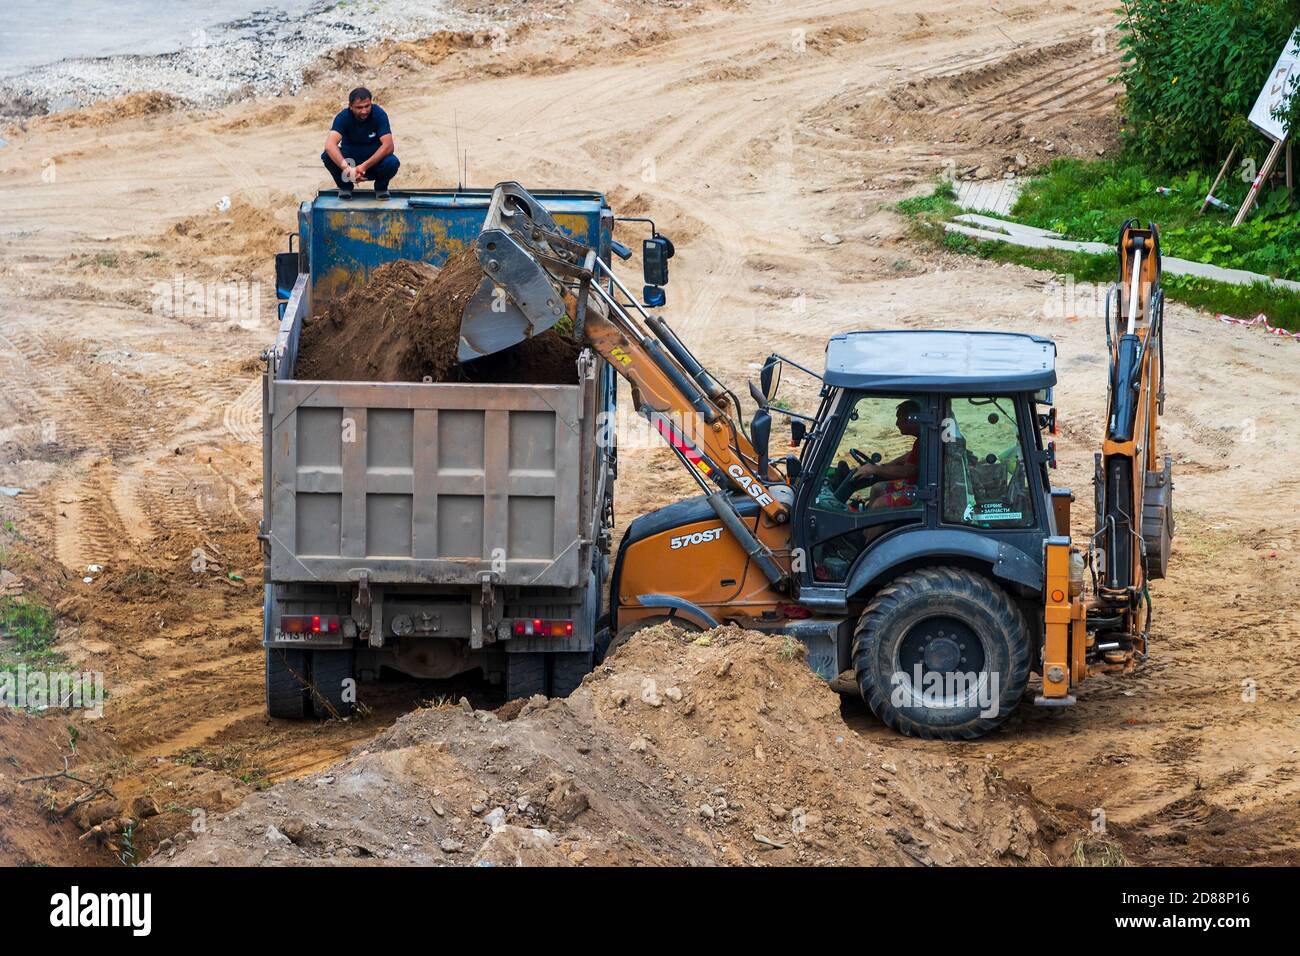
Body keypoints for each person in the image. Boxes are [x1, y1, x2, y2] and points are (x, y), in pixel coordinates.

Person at [321, 87, 400, 200]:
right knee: (327, 155)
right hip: (350, 164)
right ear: (351, 106)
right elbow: (330, 145)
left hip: (373, 164)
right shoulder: (343, 117)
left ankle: (381, 188)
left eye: (367, 106)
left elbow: (388, 146)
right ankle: (345, 187)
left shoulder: (379, 114)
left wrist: (363, 167)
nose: (364, 111)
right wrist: (347, 169)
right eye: (359, 107)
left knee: (392, 162)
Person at [848, 399, 921, 512]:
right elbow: (907, 457)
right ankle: (868, 523)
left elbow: (907, 471)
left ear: (911, 419)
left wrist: (874, 469)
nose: (897, 423)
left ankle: (870, 528)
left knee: (879, 504)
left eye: (899, 418)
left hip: (920, 490)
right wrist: (883, 466)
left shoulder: (924, 441)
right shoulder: (922, 441)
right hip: (916, 483)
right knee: (877, 488)